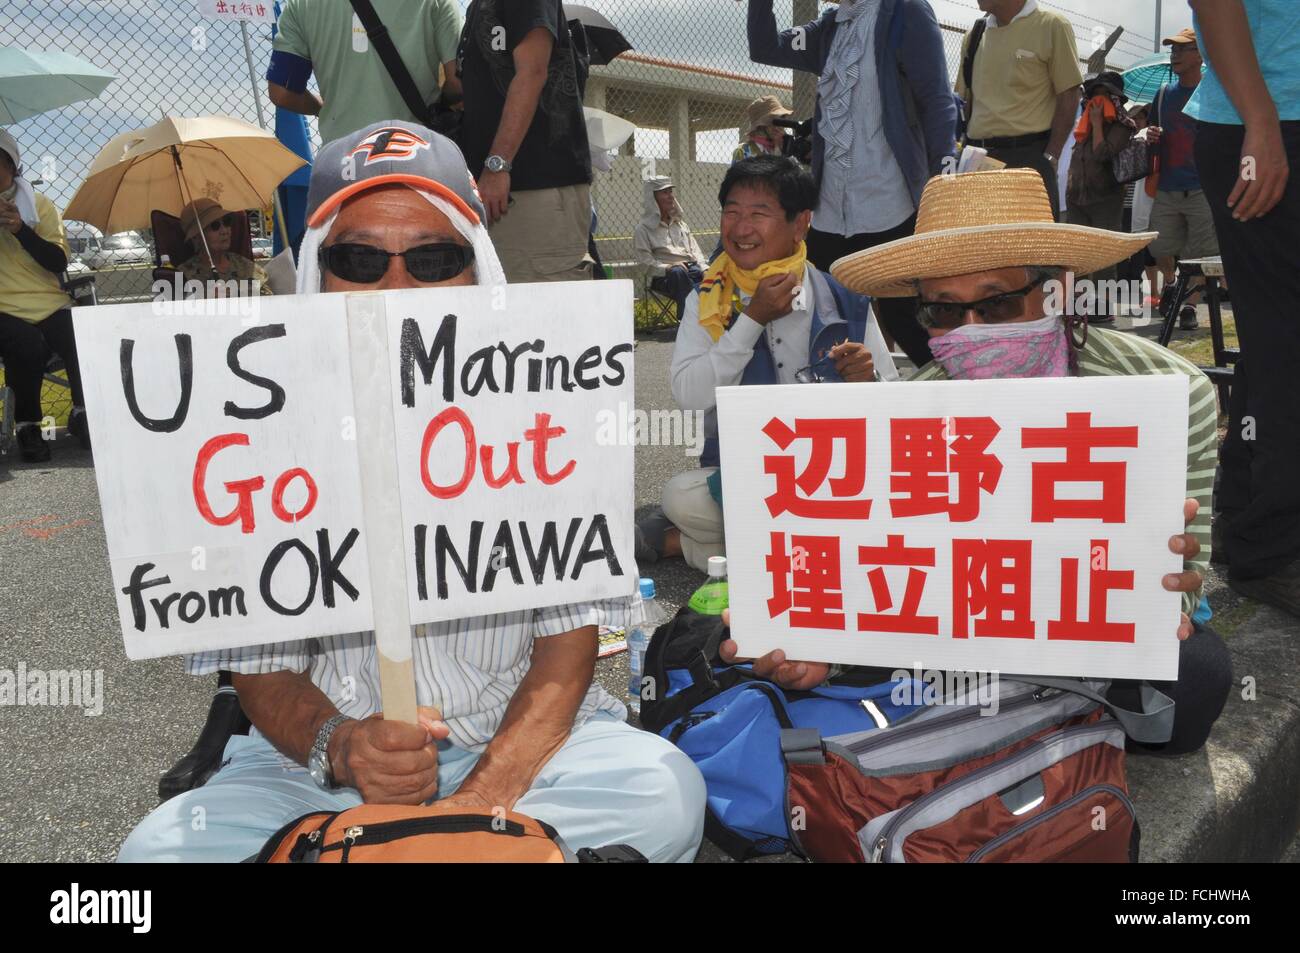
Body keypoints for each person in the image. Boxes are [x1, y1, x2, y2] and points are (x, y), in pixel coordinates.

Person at [118, 121, 706, 863]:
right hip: (318, 775)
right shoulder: (254, 432)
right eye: (359, 258)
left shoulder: (547, 409)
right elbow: (261, 670)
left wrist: (481, 801)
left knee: (664, 791)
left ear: (476, 267)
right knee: (157, 856)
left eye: (432, 258)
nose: (395, 287)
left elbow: (568, 650)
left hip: (523, 753)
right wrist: (343, 744)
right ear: (316, 275)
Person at [726, 168, 1230, 756]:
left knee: (1195, 671)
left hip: (1085, 634)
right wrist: (828, 644)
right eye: (941, 311)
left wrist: (1170, 593)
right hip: (958, 630)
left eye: (997, 301)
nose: (970, 330)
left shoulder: (1170, 391)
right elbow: (891, 571)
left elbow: (1180, 588)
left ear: (1059, 289)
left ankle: (1019, 712)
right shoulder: (912, 407)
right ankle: (1035, 717)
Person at [636, 156, 898, 571]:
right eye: (732, 212)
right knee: (681, 496)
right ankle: (814, 555)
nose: (741, 229)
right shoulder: (707, 297)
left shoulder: (845, 299)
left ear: (800, 223)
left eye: (759, 214)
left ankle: (696, 550)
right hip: (750, 479)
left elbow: (896, 406)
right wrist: (752, 319)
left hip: (834, 478)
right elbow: (688, 395)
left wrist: (871, 378)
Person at [747, 0, 957, 370]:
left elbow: (937, 99)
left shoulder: (904, 11)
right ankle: (828, 409)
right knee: (811, 313)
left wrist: (943, 182)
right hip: (829, 212)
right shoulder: (829, 27)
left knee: (905, 318)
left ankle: (959, 400)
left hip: (891, 205)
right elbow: (766, 47)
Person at [1185, 0, 1300, 616]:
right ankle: (1275, 547)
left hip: (1268, 120)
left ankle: (1245, 512)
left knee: (1273, 337)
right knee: (1286, 340)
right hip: (1269, 122)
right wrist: (1262, 122)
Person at [457, 0, 594, 283]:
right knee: (505, 310)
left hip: (534, 186)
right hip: (503, 192)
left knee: (545, 315)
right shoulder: (476, 7)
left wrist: (497, 164)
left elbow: (532, 72)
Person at [0, 130, 87, 461]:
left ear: (11, 165)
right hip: (4, 308)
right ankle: (28, 425)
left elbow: (58, 260)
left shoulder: (39, 205)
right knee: (26, 342)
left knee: (78, 332)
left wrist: (21, 229)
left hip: (48, 302)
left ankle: (82, 412)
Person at [266, 0, 464, 145]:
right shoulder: (438, 3)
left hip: (341, 155)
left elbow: (281, 92)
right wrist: (443, 102)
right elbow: (459, 82)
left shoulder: (301, 5)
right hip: (416, 149)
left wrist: (325, 107)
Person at [956, 0, 1084, 222]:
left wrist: (1050, 158)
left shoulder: (1052, 26)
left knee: (1031, 251)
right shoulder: (974, 36)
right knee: (981, 251)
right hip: (977, 162)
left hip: (1028, 160)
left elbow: (1069, 95)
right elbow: (964, 101)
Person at [1145, 27, 1220, 332]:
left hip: (1203, 187)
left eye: (1181, 49)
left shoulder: (1213, 93)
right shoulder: (1163, 95)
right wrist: (1148, 135)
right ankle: (1172, 283)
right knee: (1159, 246)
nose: (1174, 55)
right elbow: (1148, 131)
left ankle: (1189, 305)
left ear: (1199, 54)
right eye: (1172, 50)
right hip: (1167, 185)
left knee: (1201, 253)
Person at [1065, 72, 1136, 323]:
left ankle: (1103, 306)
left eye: (1104, 95)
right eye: (1095, 94)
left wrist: (1097, 124)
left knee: (1104, 252)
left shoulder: (1123, 126)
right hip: (1077, 196)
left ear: (1115, 99)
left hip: (1106, 196)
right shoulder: (1081, 125)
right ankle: (1081, 304)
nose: (1097, 100)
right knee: (1079, 253)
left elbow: (1103, 153)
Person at [633, 177, 706, 323]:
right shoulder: (643, 229)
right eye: (665, 192)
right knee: (678, 273)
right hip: (665, 277)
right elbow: (643, 262)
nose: (671, 196)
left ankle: (711, 317)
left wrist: (705, 268)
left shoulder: (681, 224)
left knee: (708, 273)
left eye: (671, 191)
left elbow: (695, 250)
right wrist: (667, 267)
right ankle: (688, 319)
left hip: (691, 269)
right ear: (653, 198)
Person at [176, 198, 272, 298]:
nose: (225, 231)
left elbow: (271, 302)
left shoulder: (246, 267)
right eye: (215, 226)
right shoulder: (183, 276)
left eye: (226, 222)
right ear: (196, 237)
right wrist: (208, 300)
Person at [732, 95, 792, 163]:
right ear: (760, 125)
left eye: (782, 118)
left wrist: (780, 148)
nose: (779, 125)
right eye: (774, 120)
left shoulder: (785, 149)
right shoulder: (743, 151)